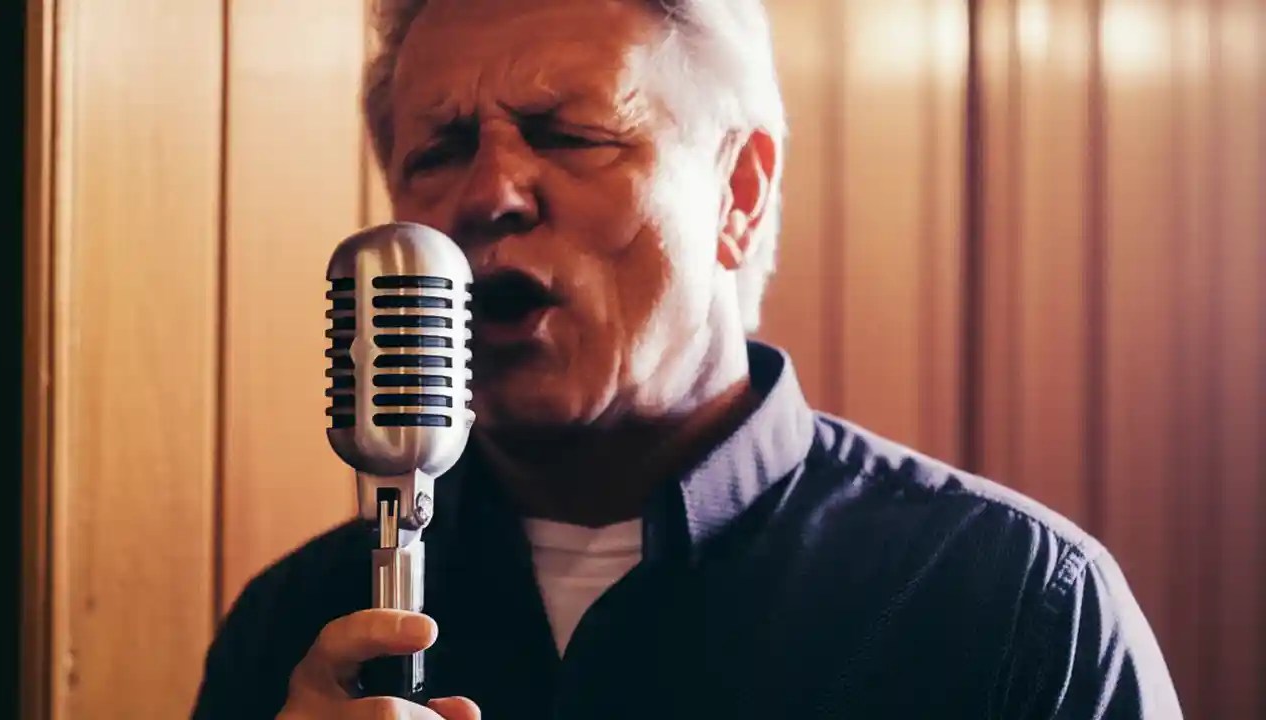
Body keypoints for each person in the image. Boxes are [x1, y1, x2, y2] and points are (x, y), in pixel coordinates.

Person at [192, 0, 1184, 717]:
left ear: (740, 193)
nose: (489, 193)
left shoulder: (1012, 609)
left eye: (566, 135)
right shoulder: (301, 631)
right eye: (438, 152)